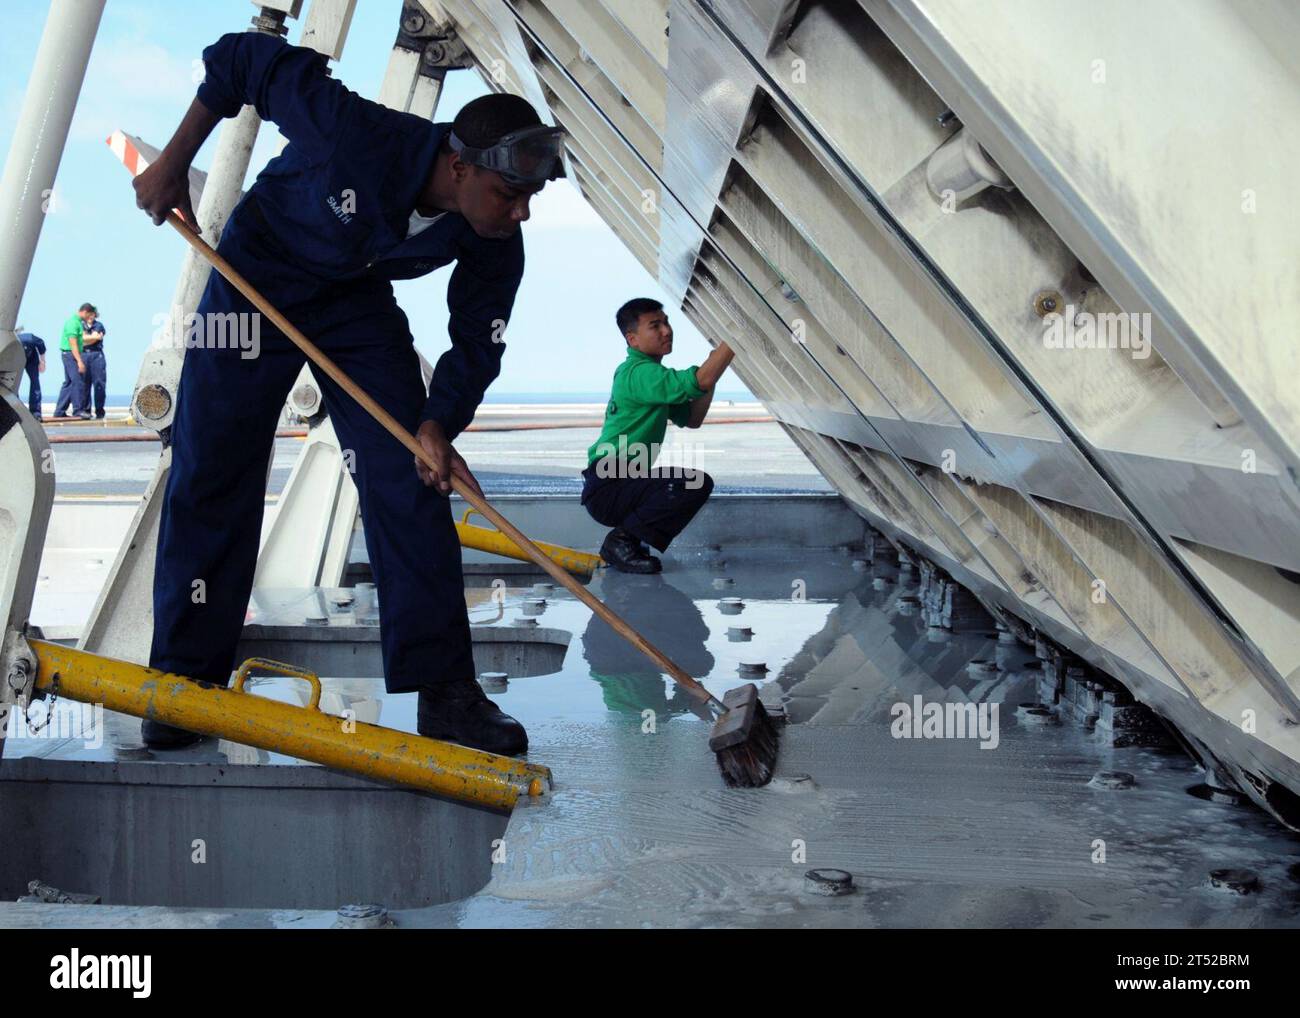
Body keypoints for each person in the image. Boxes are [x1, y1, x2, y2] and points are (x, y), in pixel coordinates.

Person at [131, 31, 565, 753]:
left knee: (410, 473)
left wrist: (438, 424)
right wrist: (174, 164)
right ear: (459, 166)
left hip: (351, 301)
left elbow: (478, 340)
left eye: (529, 198)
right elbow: (242, 59)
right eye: (510, 194)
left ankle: (446, 693)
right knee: (212, 467)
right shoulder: (353, 130)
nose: (520, 213)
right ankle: (184, 684)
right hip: (258, 277)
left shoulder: (495, 236)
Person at [582, 298, 734, 572]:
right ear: (633, 339)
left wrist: (714, 369)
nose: (666, 330)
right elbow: (699, 381)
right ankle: (621, 541)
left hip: (621, 480)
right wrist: (735, 338)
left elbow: (692, 418)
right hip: (610, 482)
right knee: (692, 483)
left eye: (666, 322)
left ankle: (627, 542)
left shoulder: (650, 377)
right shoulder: (640, 373)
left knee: (690, 483)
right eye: (655, 325)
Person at [53, 303, 96, 419]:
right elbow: (73, 343)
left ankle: (59, 411)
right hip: (71, 354)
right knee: (77, 381)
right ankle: (78, 410)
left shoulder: (77, 322)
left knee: (69, 383)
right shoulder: (73, 323)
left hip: (69, 354)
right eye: (89, 315)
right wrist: (79, 361)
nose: (89, 319)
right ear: (85, 312)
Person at [79, 312, 107, 418]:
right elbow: (81, 339)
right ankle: (86, 411)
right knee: (84, 384)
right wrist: (93, 337)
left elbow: (96, 337)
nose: (90, 317)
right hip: (84, 355)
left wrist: (86, 338)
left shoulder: (99, 325)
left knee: (99, 384)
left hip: (97, 355)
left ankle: (100, 411)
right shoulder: (80, 325)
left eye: (92, 314)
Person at [16, 326, 46, 418]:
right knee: (13, 384)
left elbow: (41, 344)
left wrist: (42, 362)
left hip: (31, 359)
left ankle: (36, 412)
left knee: (35, 382)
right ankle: (16, 410)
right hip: (15, 360)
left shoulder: (29, 338)